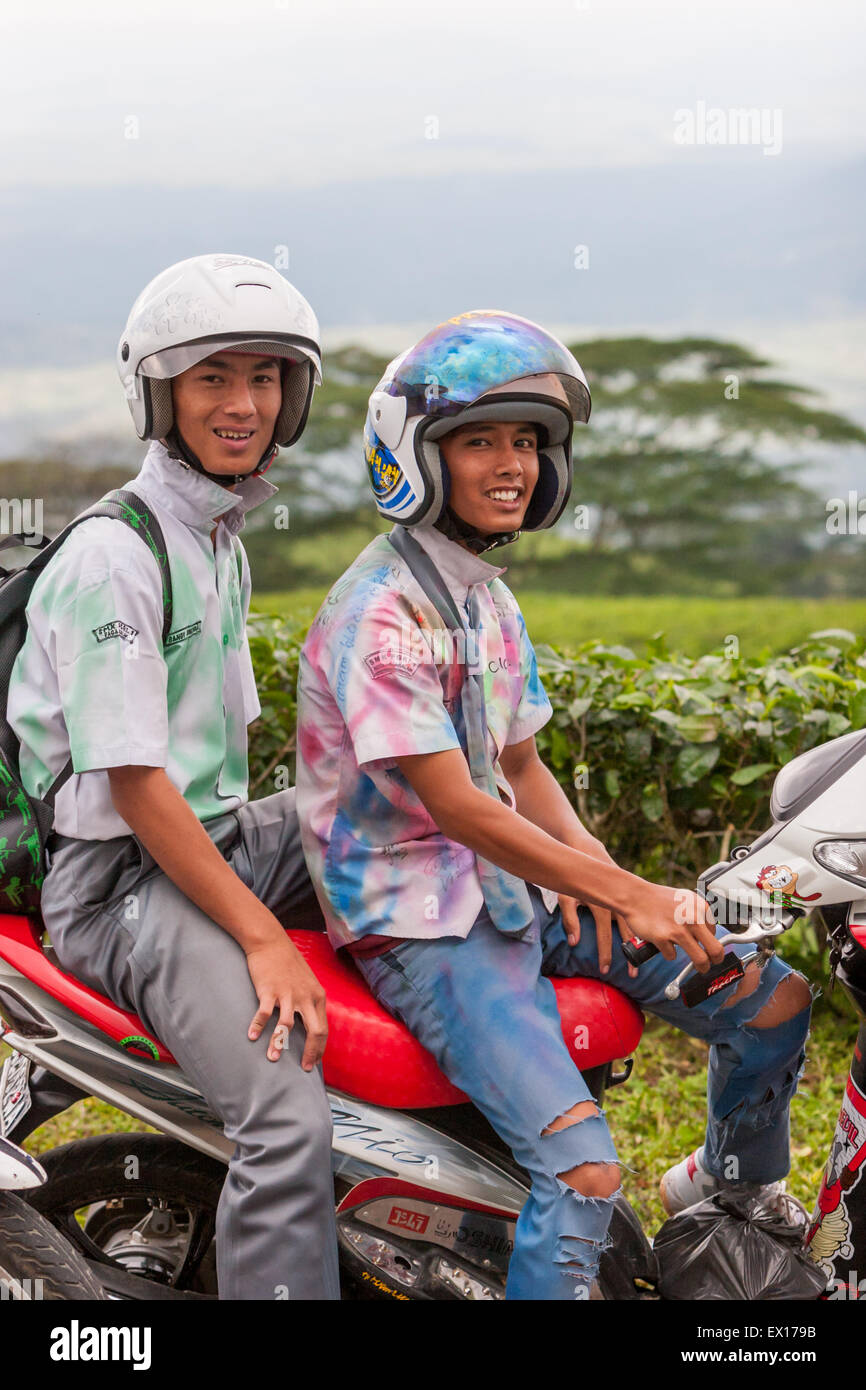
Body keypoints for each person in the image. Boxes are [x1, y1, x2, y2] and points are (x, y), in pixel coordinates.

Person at [294, 309, 813, 1300]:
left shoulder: (484, 594)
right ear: (415, 453)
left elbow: (522, 770)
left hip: (515, 887)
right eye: (481, 438)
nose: (512, 462)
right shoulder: (381, 611)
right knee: (579, 1171)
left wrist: (612, 885)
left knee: (772, 1001)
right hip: (425, 927)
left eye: (527, 440)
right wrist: (625, 890)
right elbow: (459, 807)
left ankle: (725, 1196)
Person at [8, 254, 340, 1300]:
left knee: (389, 805)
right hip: (117, 880)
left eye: (264, 377)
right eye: (211, 379)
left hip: (216, 833)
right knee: (286, 1123)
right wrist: (258, 936)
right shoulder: (118, 554)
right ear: (160, 394)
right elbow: (141, 787)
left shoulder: (216, 534)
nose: (243, 404)